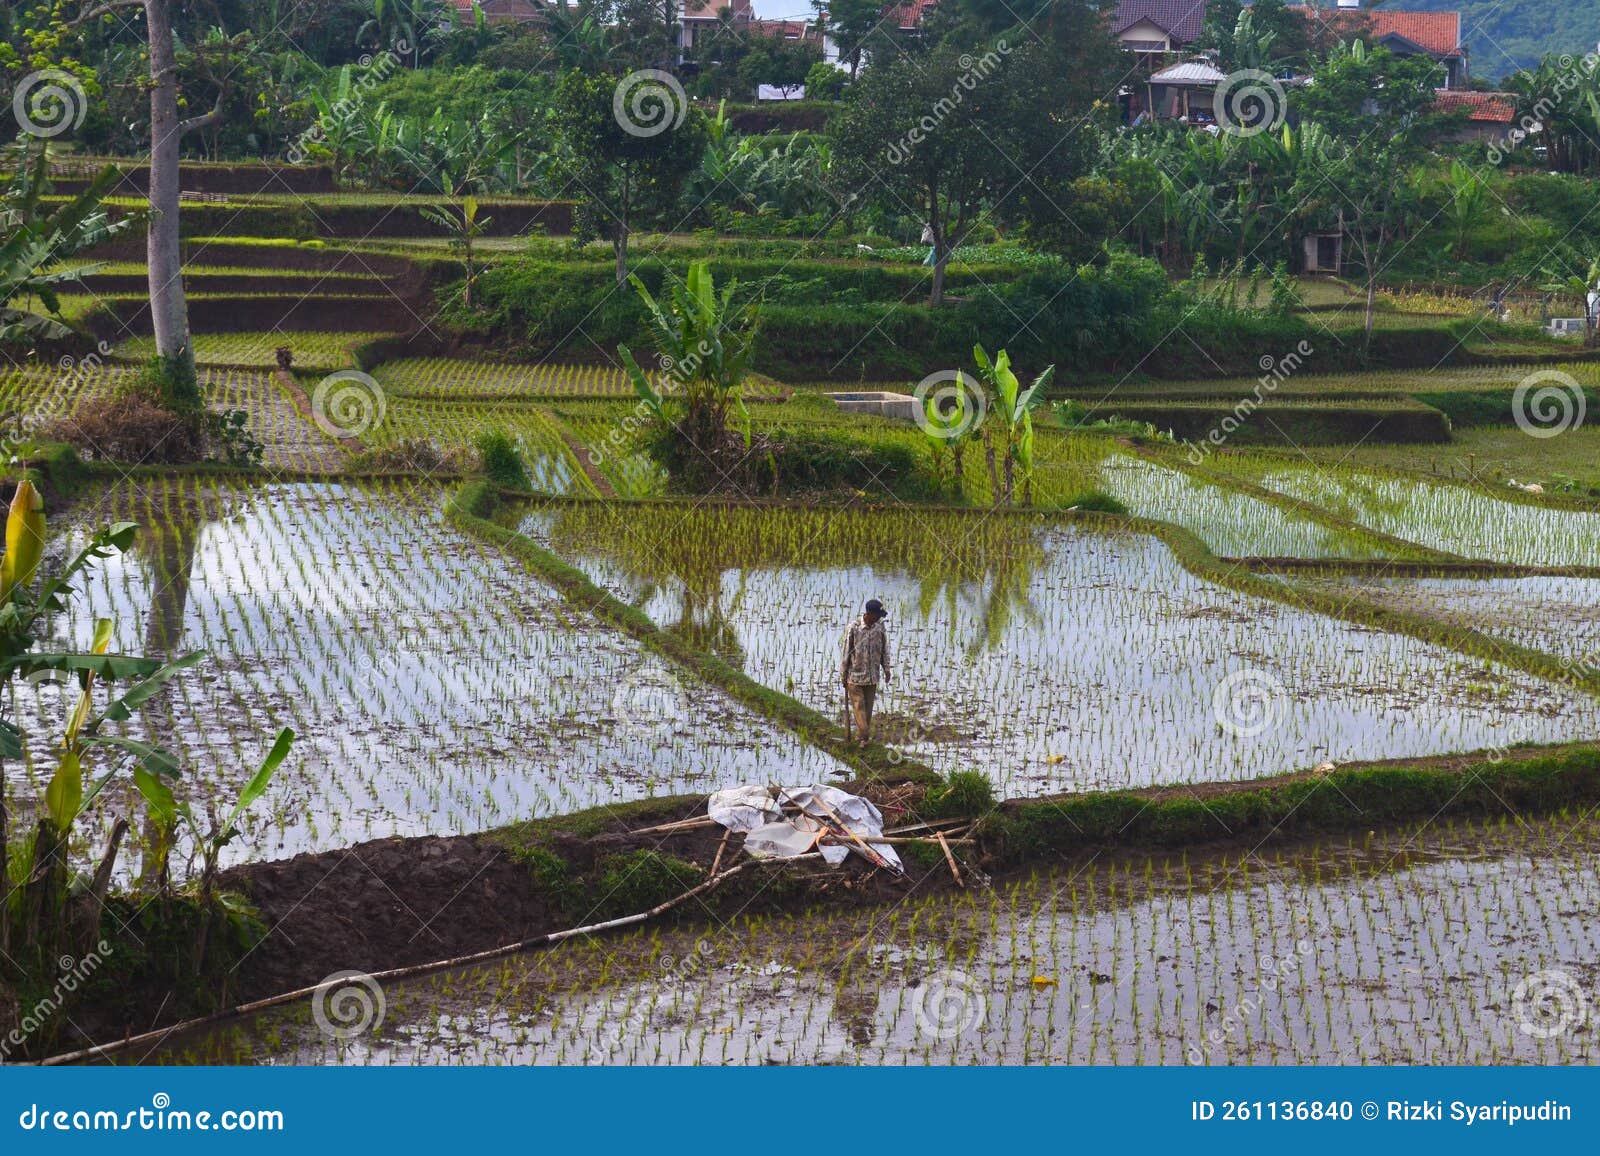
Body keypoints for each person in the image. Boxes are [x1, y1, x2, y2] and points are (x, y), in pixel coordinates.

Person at [840, 598, 891, 746]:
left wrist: (886, 668)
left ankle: (861, 737)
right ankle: (865, 735)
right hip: (854, 676)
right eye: (877, 615)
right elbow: (846, 652)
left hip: (872, 676)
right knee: (858, 706)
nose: (879, 618)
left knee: (867, 709)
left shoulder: (879, 627)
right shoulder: (854, 628)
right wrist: (843, 674)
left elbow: (884, 649)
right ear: (869, 614)